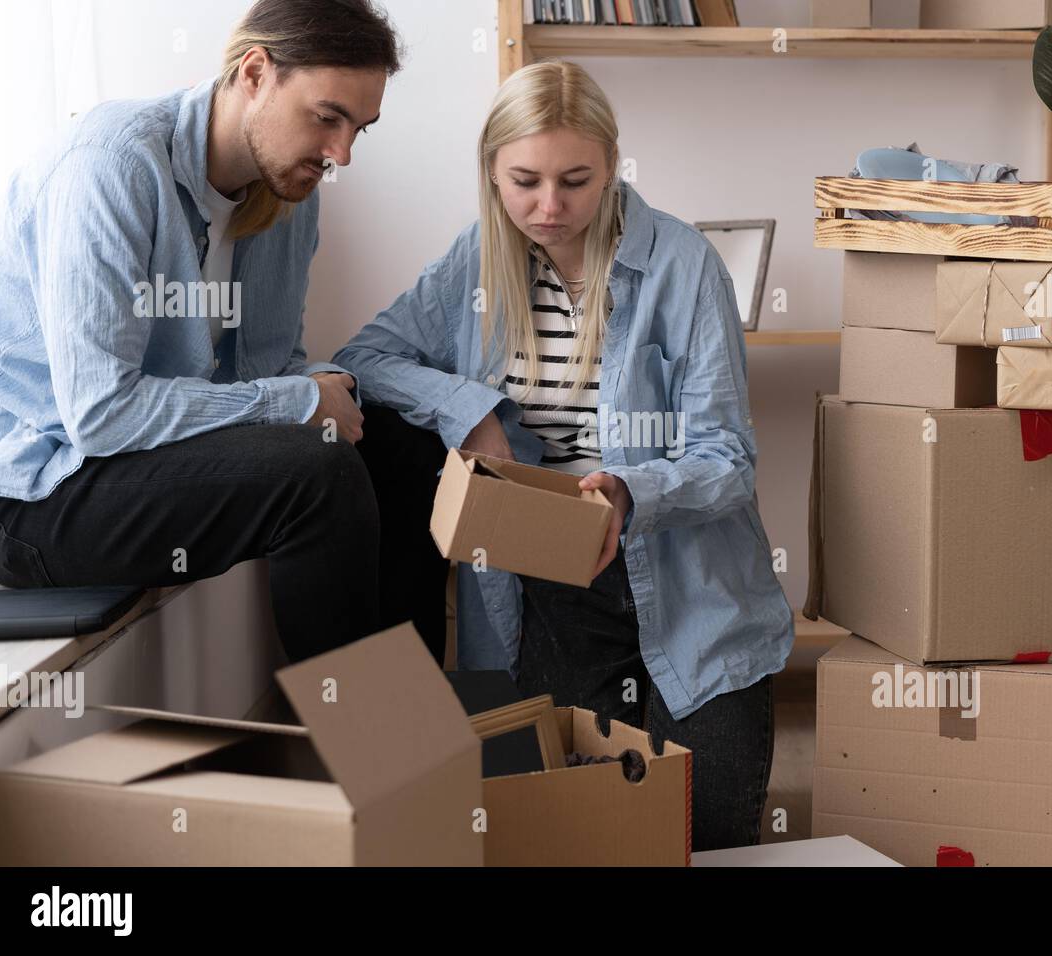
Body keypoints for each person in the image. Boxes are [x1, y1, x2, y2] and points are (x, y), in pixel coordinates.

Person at [334, 60, 795, 850]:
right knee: (575, 833)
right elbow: (365, 358)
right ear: (490, 172)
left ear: (613, 166)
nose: (549, 207)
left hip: (690, 583)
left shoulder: (685, 267)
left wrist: (629, 492)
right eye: (524, 181)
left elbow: (726, 457)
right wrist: (468, 408)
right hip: (548, 580)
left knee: (709, 836)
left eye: (576, 180)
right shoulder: (475, 263)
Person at [0, 0, 448, 663]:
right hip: (32, 491)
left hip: (139, 461)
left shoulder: (290, 193)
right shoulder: (111, 163)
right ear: (254, 72)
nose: (340, 153)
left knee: (404, 445)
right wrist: (299, 400)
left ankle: (421, 737)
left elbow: (271, 366)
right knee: (319, 474)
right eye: (327, 118)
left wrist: (314, 385)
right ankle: (368, 751)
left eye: (358, 130)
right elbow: (102, 414)